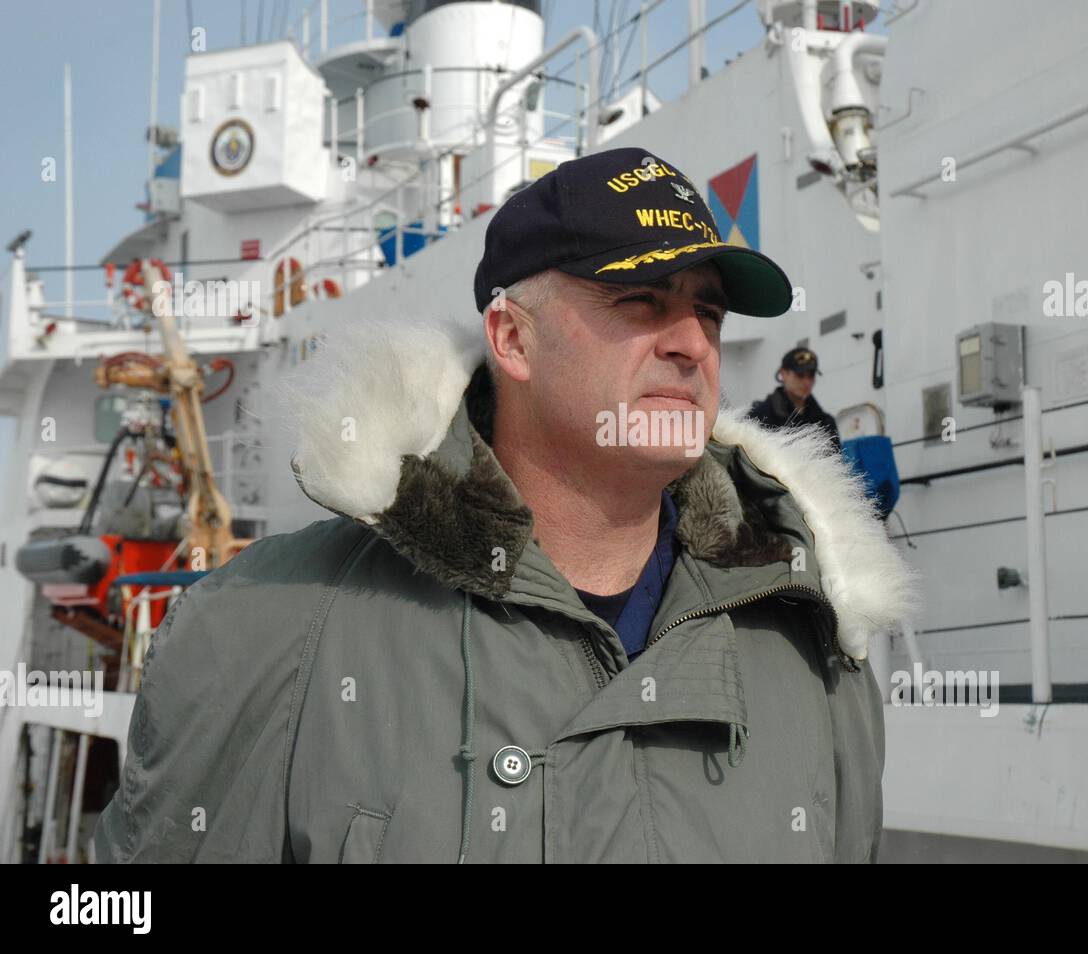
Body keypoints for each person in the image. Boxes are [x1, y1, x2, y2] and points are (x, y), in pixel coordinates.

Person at [93, 147, 917, 863]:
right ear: (513, 338)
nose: (693, 343)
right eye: (641, 300)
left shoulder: (810, 646)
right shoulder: (273, 628)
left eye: (707, 310)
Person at [749, 347, 842, 449]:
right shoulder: (759, 418)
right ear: (783, 373)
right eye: (800, 375)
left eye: (811, 376)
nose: (806, 382)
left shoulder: (826, 423)